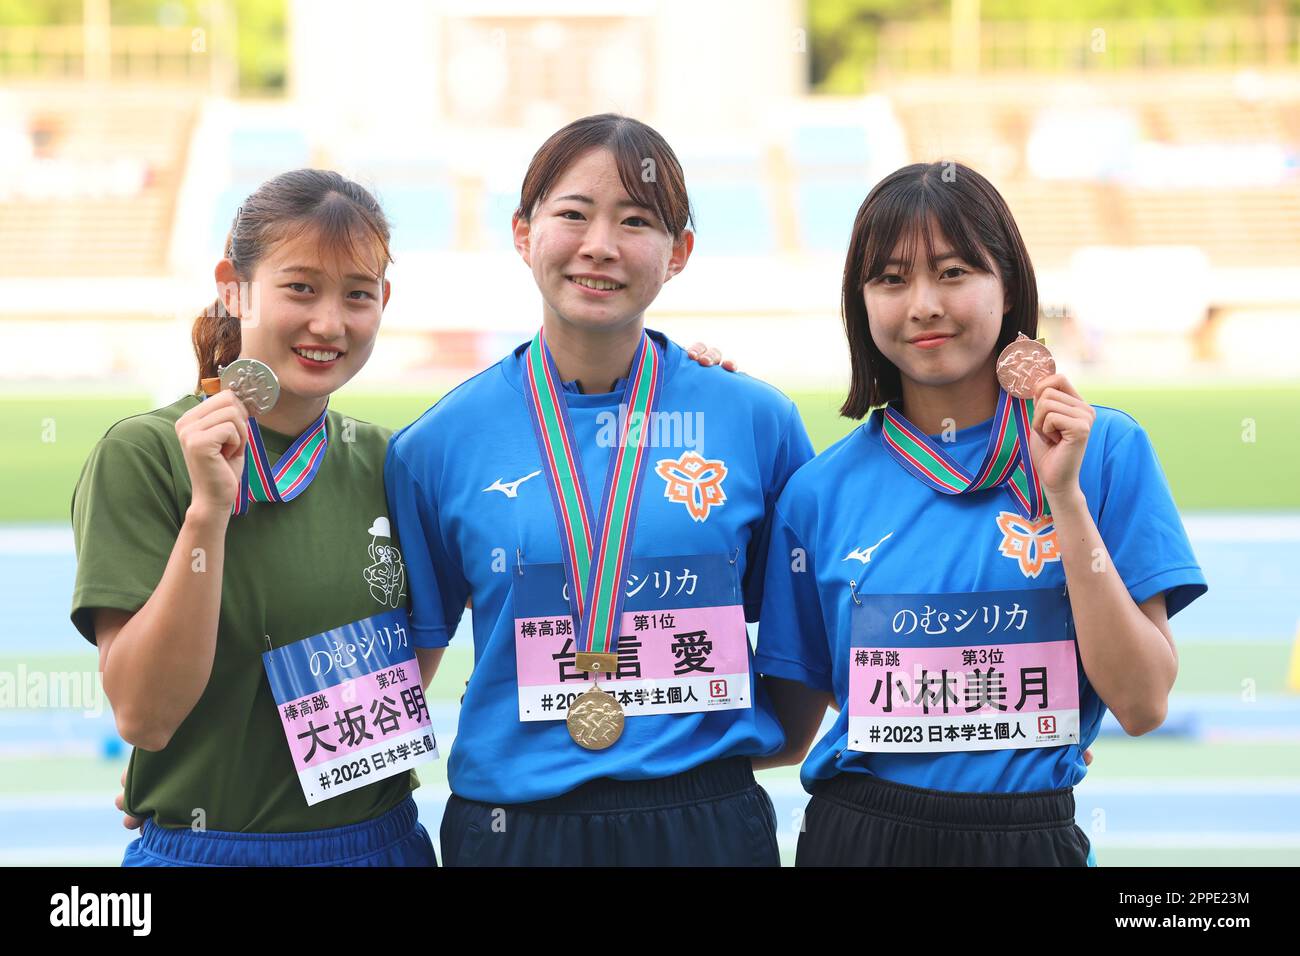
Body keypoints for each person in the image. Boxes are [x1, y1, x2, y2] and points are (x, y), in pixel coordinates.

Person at [385, 114, 815, 866]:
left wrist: (716, 749)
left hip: (703, 819)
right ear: (524, 233)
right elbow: (404, 670)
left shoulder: (755, 421)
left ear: (678, 252)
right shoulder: (437, 445)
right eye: (574, 214)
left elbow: (799, 631)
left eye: (636, 221)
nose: (600, 246)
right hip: (513, 829)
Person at [753, 161, 1208, 866]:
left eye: (956, 271)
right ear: (861, 302)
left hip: (1029, 838)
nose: (924, 304)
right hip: (859, 837)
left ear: (1010, 284)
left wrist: (1065, 497)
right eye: (892, 279)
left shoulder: (1105, 450)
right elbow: (783, 732)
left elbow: (1143, 705)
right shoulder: (817, 493)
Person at [72, 169, 444, 866]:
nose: (329, 323)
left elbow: (411, 655)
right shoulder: (147, 455)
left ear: (383, 302)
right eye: (300, 287)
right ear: (232, 285)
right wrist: (207, 513)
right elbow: (145, 719)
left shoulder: (389, 463)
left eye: (357, 295)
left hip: (380, 844)